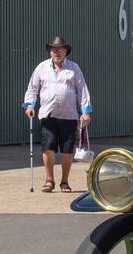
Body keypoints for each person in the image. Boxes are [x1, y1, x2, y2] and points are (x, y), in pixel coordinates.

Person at [23, 35, 92, 193]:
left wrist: (86, 112)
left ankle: (64, 182)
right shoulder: (41, 68)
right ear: (50, 51)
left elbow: (82, 90)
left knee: (67, 150)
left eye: (60, 49)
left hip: (69, 116)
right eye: (54, 49)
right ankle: (49, 180)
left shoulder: (74, 68)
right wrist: (29, 105)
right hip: (48, 115)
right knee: (48, 147)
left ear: (66, 51)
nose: (57, 52)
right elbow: (32, 89)